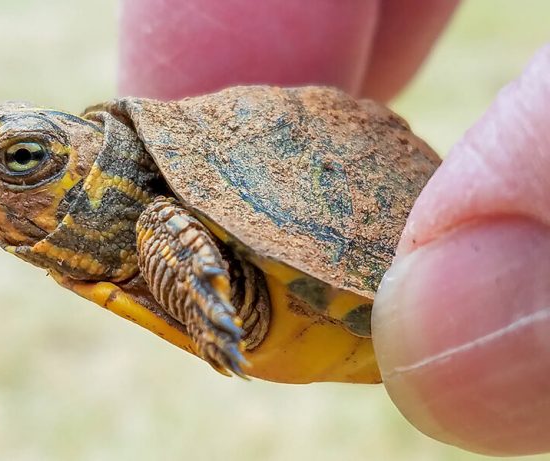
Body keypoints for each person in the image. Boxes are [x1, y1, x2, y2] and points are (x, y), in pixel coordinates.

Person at [118, 1, 550, 456]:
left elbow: (170, 221)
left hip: (387, 257)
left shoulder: (157, 219)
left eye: (49, 159)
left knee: (161, 221)